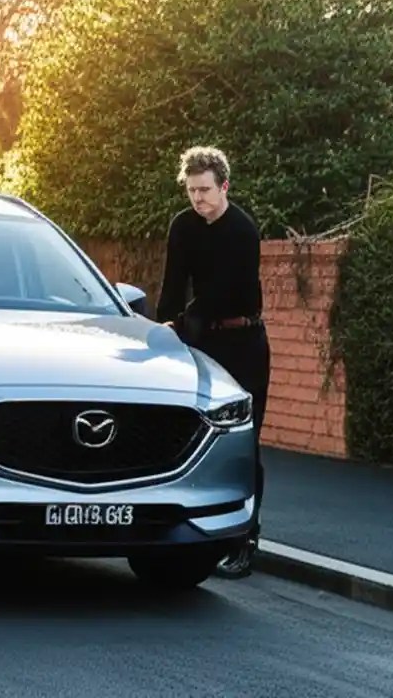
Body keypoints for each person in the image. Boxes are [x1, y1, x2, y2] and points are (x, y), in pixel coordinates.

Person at [155, 146, 271, 579]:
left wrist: (182, 324)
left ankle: (245, 540)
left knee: (243, 441)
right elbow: (172, 284)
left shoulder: (242, 230)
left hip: (242, 341)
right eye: (191, 190)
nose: (198, 198)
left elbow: (222, 291)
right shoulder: (182, 226)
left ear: (224, 186)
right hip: (198, 340)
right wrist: (161, 329)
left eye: (205, 189)